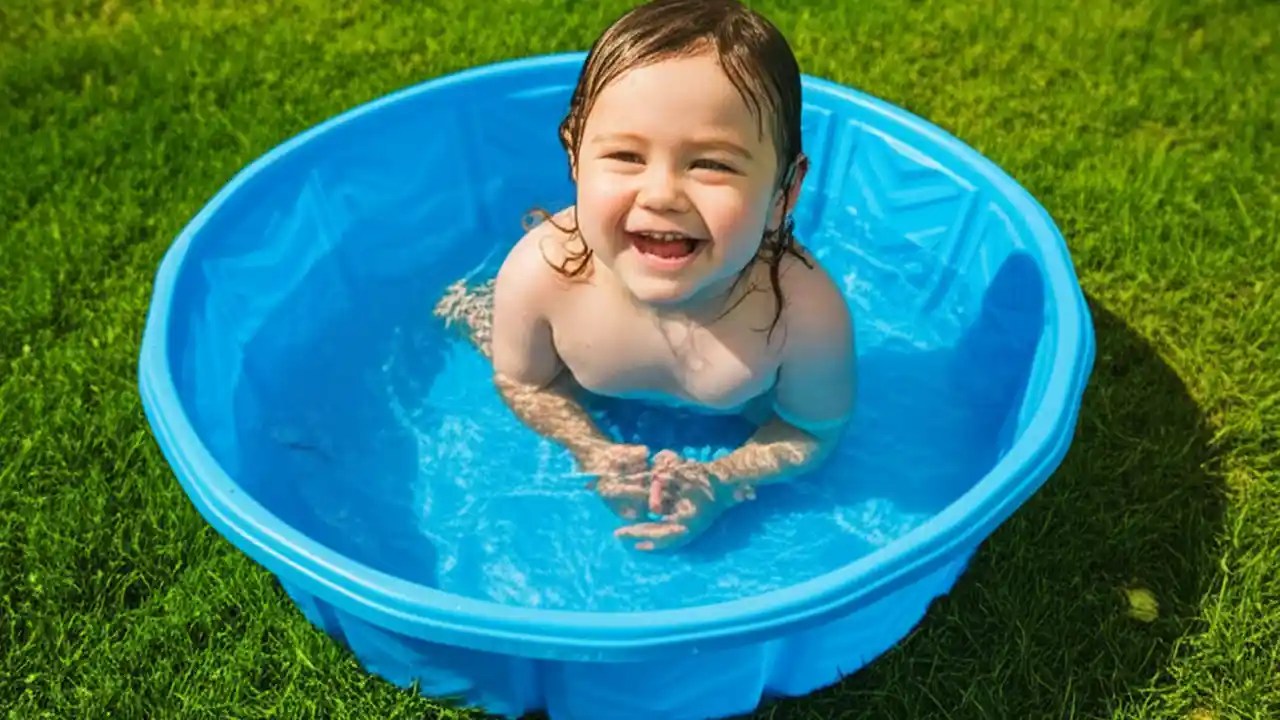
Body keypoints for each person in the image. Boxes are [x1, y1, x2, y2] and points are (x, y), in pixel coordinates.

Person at [433, 0, 855, 551]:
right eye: (627, 156)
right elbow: (524, 382)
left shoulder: (802, 315)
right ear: (575, 157)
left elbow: (811, 429)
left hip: (739, 425)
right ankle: (470, 306)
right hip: (566, 354)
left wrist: (723, 480)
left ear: (785, 192)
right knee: (484, 328)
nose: (661, 195)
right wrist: (591, 451)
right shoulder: (541, 277)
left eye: (712, 164)